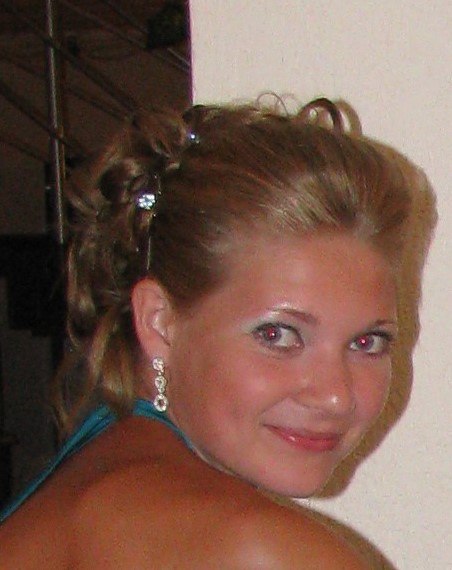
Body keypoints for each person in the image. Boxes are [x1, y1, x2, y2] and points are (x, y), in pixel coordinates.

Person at [0, 96, 415, 568]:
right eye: (278, 336)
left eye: (367, 343)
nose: (336, 396)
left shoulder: (80, 491)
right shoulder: (262, 552)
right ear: (160, 321)